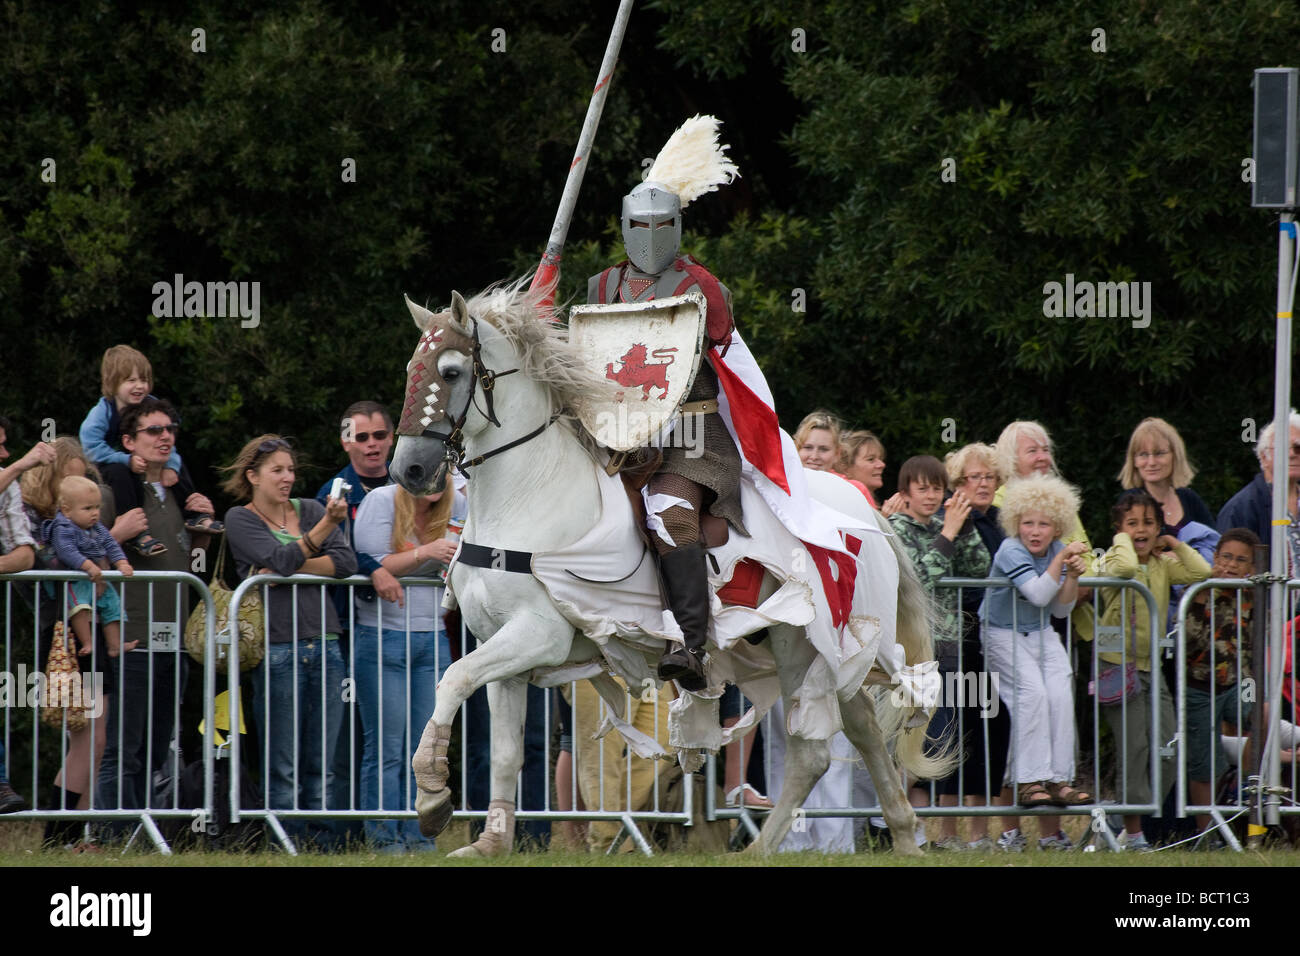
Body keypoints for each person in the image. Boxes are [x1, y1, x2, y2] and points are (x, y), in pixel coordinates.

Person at [585, 117, 745, 692]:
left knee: (670, 515)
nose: (651, 235)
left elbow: (723, 345)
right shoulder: (601, 288)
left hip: (693, 438)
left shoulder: (701, 286)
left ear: (677, 225)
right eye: (640, 225)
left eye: (662, 224)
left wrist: (700, 288)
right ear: (624, 228)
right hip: (618, 435)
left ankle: (691, 644)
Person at [223, 435, 356, 844]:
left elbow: (346, 563)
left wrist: (289, 569)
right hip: (277, 648)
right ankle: (287, 845)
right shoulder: (239, 518)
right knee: (283, 763)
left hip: (326, 643)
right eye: (277, 470)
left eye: (291, 470)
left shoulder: (312, 509)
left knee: (322, 760)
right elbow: (281, 560)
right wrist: (322, 534)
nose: (287, 478)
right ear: (253, 476)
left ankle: (320, 845)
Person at [95, 399, 214, 827]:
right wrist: (115, 534)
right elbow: (80, 563)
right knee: (121, 747)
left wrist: (201, 535)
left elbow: (192, 569)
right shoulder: (110, 491)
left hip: (175, 639)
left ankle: (141, 835)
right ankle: (111, 838)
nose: (165, 436)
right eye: (153, 430)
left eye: (170, 428)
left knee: (157, 747)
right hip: (130, 637)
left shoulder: (179, 491)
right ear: (128, 441)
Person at [1094, 488, 1211, 851]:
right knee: (1135, 748)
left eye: (1148, 523)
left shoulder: (1161, 562)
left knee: (1167, 746)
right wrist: (1121, 539)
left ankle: (1119, 818)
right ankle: (1133, 833)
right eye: (1132, 523)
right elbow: (1127, 568)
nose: (1141, 530)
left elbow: (1202, 571)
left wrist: (1172, 542)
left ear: (1160, 526)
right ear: (1118, 528)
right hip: (1117, 666)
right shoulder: (1114, 557)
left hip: (1152, 668)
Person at [981, 473, 1093, 851]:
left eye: (1044, 523)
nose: (1035, 530)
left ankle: (1059, 779)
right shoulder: (1010, 549)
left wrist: (1072, 577)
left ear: (1056, 524)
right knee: (1032, 695)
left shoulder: (1057, 547)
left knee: (1060, 693)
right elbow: (1038, 593)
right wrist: (1062, 558)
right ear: (1016, 522)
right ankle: (1030, 781)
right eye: (1028, 522)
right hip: (1001, 631)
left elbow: (1061, 606)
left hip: (1040, 632)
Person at [351, 479, 463, 851]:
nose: (434, 480)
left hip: (432, 638)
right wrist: (426, 551)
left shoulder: (458, 504)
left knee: (426, 751)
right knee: (386, 748)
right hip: (381, 636)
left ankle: (421, 843)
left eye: (442, 471)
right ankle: (384, 842)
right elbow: (368, 565)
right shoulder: (381, 501)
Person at [887, 455, 990, 850]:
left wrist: (961, 530)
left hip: (949, 649)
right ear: (906, 492)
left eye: (937, 488)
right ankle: (893, 823)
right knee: (918, 737)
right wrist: (947, 533)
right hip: (913, 650)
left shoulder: (944, 526)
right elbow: (916, 579)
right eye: (923, 487)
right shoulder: (898, 528)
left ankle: (914, 833)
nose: (931, 495)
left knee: (937, 741)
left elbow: (980, 567)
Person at [943, 442, 1016, 849]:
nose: (984, 483)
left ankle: (979, 832)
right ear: (958, 482)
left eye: (990, 476)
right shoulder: (950, 518)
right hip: (960, 640)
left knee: (989, 731)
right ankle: (952, 832)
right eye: (975, 476)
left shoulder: (1000, 522)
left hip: (993, 642)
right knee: (959, 734)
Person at [78, 345, 219, 554]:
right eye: (131, 380)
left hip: (134, 460)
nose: (139, 386)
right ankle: (135, 531)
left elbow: (172, 441)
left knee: (178, 466)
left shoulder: (153, 405)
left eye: (143, 380)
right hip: (108, 461)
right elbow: (90, 448)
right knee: (120, 473)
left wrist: (171, 466)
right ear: (112, 383)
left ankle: (193, 514)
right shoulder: (101, 413)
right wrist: (125, 459)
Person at [1182, 528, 1259, 834]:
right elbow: (1188, 642)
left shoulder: (1253, 595)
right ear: (1214, 558)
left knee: (1261, 713)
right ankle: (1207, 834)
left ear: (1251, 568)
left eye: (1241, 560)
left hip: (1241, 682)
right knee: (1203, 765)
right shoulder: (1200, 591)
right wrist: (1201, 596)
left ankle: (1243, 783)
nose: (1231, 565)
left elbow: (1256, 643)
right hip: (1199, 688)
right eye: (1226, 557)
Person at [42, 476, 133, 657]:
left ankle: (115, 645)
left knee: (112, 604)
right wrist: (88, 565)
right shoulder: (62, 527)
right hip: (75, 579)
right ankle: (87, 642)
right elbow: (66, 550)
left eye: (97, 507)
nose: (95, 513)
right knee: (79, 607)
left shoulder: (97, 527)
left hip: (97, 576)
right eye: (88, 508)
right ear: (67, 511)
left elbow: (111, 544)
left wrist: (122, 562)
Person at [1217, 411, 1300, 566]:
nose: (1291, 454)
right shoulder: (1241, 508)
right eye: (1282, 447)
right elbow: (1228, 571)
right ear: (1264, 457)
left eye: (1298, 447)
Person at [1118, 417, 1214, 534]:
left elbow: (1214, 544)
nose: (1151, 462)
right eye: (1143, 454)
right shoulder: (1130, 501)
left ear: (1175, 456)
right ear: (1134, 461)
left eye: (1159, 453)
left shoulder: (1189, 499)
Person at [839, 430, 886, 507]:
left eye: (881, 458)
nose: (882, 464)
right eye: (871, 459)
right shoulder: (845, 506)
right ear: (846, 468)